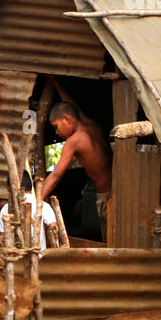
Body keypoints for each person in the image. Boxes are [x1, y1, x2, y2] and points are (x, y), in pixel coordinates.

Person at [39, 83, 112, 240]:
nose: (57, 132)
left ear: (67, 119)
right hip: (116, 190)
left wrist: (37, 200)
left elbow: (57, 174)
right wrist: (56, 83)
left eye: (56, 127)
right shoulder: (93, 126)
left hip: (106, 197)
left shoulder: (74, 141)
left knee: (109, 238)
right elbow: (72, 107)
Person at [0, 171, 58, 250]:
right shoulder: (43, 205)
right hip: (39, 256)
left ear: (8, 188)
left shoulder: (6, 208)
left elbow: (3, 236)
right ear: (31, 186)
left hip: (15, 258)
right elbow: (53, 229)